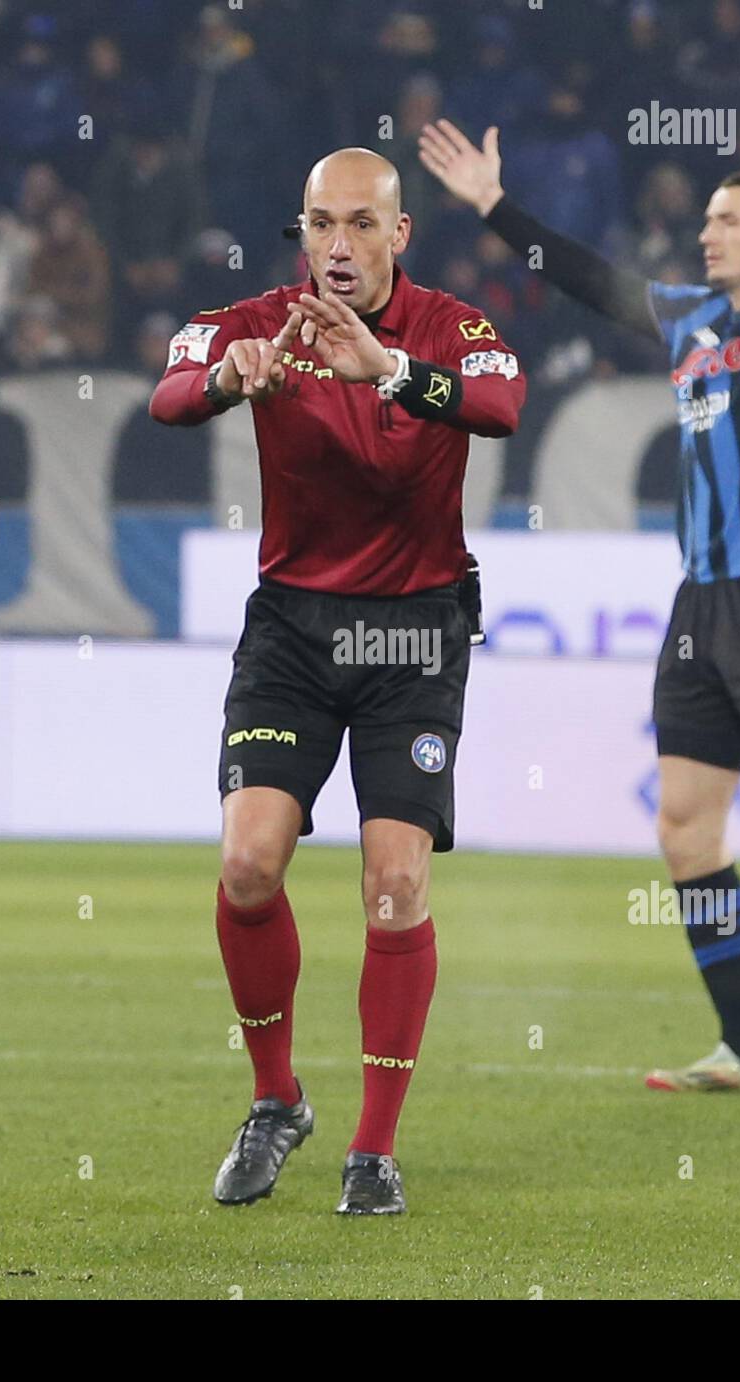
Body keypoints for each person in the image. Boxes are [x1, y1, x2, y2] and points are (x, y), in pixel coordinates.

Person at [420, 94, 740, 1104]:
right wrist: (495, 207)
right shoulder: (688, 319)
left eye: (726, 220)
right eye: (704, 217)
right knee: (685, 833)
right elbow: (585, 278)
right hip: (699, 604)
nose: (704, 231)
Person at [149, 148, 525, 1212]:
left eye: (361, 224)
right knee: (246, 867)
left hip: (414, 630)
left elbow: (502, 405)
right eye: (320, 225)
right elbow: (169, 392)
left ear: (400, 233)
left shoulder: (452, 328)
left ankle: (373, 1147)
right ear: (301, 231)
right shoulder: (259, 321)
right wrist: (231, 379)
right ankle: (277, 1101)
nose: (339, 246)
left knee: (396, 885)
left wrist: (389, 372)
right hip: (295, 629)